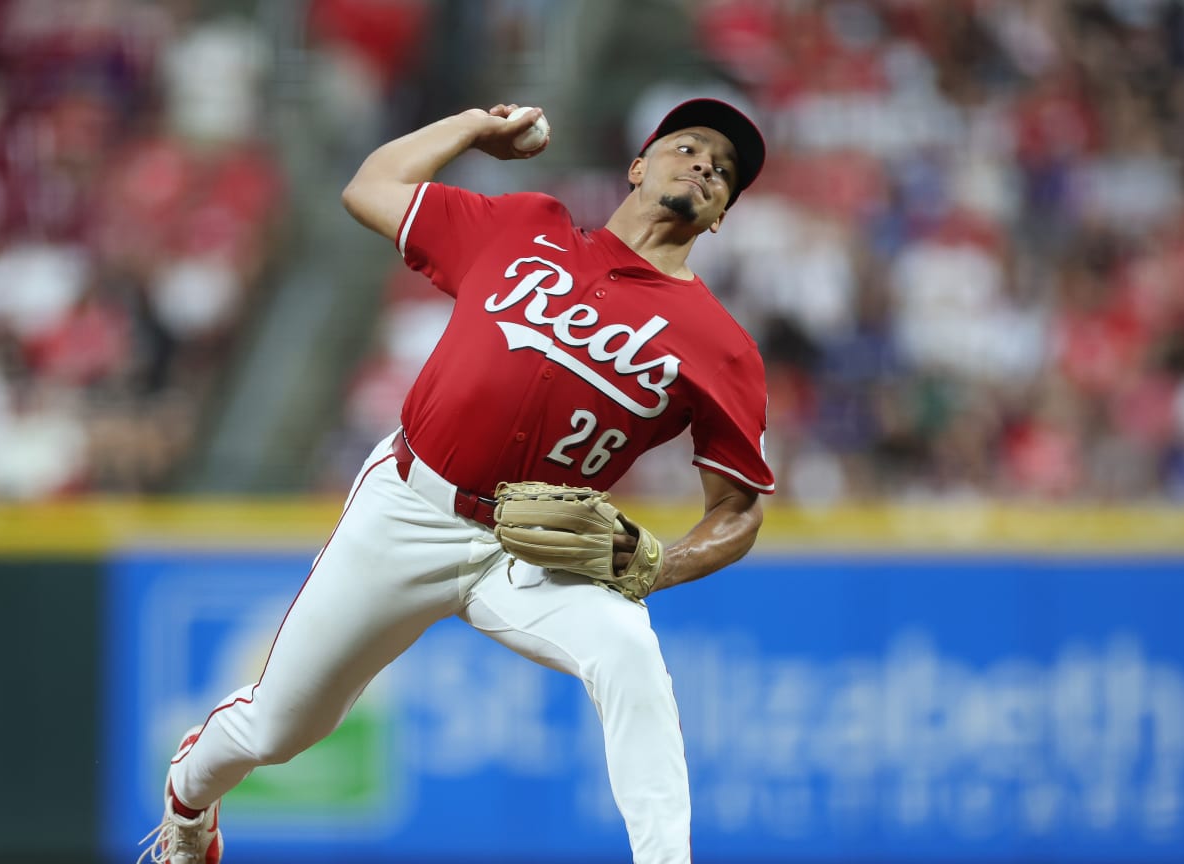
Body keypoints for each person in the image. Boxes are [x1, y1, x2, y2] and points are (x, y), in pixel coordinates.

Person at [138, 97, 775, 864]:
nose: (705, 165)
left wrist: (662, 565)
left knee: (628, 652)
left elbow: (739, 510)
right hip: (410, 507)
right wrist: (472, 128)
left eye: (724, 171)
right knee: (278, 728)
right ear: (638, 167)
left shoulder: (721, 348)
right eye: (689, 147)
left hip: (531, 551)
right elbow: (370, 188)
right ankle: (189, 791)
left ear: (721, 216)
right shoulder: (525, 228)